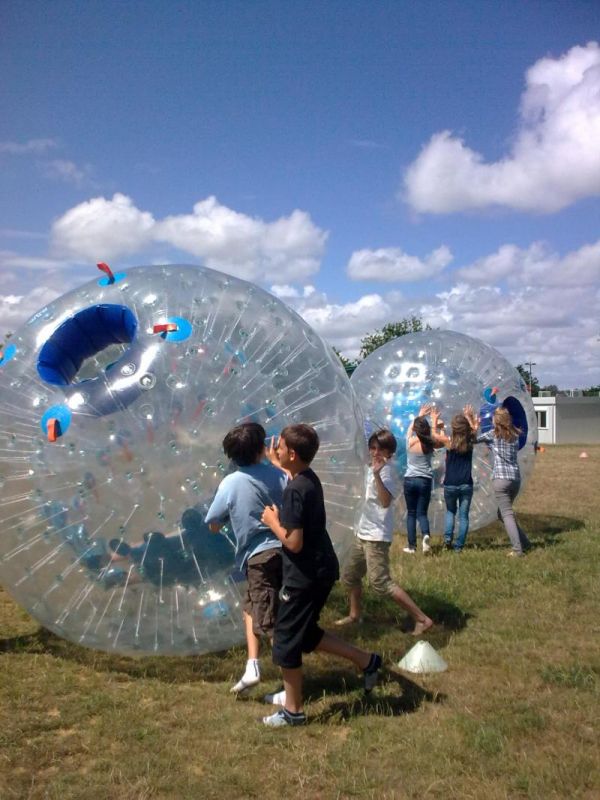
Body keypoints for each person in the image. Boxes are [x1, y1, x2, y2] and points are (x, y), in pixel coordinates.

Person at [261, 423, 382, 728]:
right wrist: (280, 467)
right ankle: (367, 661)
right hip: (322, 569)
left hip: (305, 575)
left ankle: (293, 711)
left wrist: (273, 522)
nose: (276, 449)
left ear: (292, 453)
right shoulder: (306, 478)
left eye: (281, 447)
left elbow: (293, 541)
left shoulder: (294, 492)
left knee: (286, 640)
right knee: (305, 633)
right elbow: (295, 481)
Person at [205, 422, 287, 693]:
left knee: (270, 620)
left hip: (259, 557)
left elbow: (213, 522)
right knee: (251, 606)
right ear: (262, 449)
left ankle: (291, 689)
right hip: (285, 549)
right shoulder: (279, 475)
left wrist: (226, 521)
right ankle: (252, 664)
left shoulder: (231, 482)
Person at [335, 428, 433, 634]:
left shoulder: (387, 471)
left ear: (389, 452)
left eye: (380, 449)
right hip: (362, 531)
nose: (375, 452)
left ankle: (422, 619)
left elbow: (385, 501)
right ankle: (355, 614)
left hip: (376, 536)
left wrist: (378, 476)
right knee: (349, 575)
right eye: (372, 448)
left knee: (380, 582)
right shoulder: (371, 467)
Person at [476, 406, 531, 557]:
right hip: (515, 479)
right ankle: (525, 543)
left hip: (501, 479)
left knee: (506, 514)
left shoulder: (493, 434)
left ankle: (517, 550)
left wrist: (474, 424)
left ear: (496, 421)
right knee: (503, 513)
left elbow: (474, 440)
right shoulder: (515, 434)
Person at [403, 404, 446, 554]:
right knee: (422, 513)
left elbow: (410, 430)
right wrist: (434, 421)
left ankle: (411, 546)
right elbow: (435, 435)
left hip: (409, 479)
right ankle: (426, 535)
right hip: (425, 480)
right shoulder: (430, 443)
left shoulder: (410, 442)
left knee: (411, 513)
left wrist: (419, 415)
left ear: (415, 429)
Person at [439, 406, 479, 551]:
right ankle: (459, 546)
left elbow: (433, 435)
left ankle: (447, 540)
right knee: (463, 516)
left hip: (450, 484)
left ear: (453, 428)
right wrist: (469, 416)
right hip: (466, 484)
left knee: (450, 512)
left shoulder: (448, 442)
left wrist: (435, 421)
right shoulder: (470, 441)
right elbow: (474, 429)